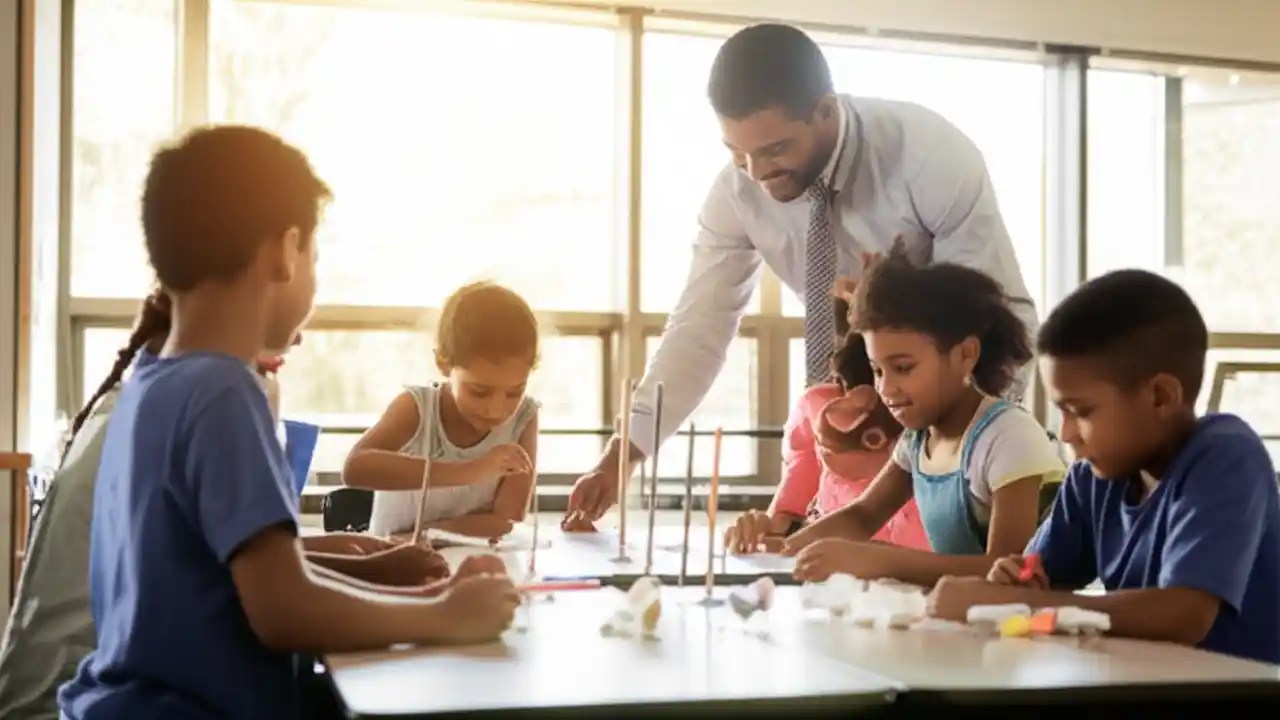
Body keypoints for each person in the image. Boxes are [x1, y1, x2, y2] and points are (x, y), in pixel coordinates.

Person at [57, 126, 519, 720]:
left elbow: (212, 575)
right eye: (315, 257)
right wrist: (446, 617)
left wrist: (370, 570)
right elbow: (282, 612)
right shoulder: (222, 391)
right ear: (285, 249)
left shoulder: (153, 381)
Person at [565, 22, 1037, 524]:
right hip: (847, 421)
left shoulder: (929, 156)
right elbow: (697, 332)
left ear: (826, 111)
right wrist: (622, 456)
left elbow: (993, 320)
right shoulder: (736, 193)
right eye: (737, 152)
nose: (757, 171)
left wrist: (960, 454)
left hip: (953, 408)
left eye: (775, 150)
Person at [928, 270, 1280, 664]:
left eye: (1081, 412)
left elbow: (1184, 615)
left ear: (1160, 397)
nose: (1066, 434)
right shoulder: (1094, 477)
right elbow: (1037, 580)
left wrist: (1019, 603)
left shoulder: (1226, 457)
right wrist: (1007, 586)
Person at [782, 248, 1064, 587]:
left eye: (903, 368)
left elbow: (1007, 569)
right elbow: (862, 515)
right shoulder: (918, 439)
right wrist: (783, 549)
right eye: (877, 370)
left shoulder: (1007, 435)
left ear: (965, 355)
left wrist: (879, 559)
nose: (886, 388)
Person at [724, 293, 929, 554]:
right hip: (831, 575)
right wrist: (767, 528)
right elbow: (792, 504)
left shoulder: (942, 428)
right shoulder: (818, 407)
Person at [344, 281, 539, 542]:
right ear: (444, 364)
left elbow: (507, 519)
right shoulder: (416, 408)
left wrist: (427, 536)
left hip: (470, 562)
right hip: (392, 563)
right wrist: (471, 471)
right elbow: (355, 469)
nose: (496, 409)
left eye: (515, 391)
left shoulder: (524, 417)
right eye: (479, 392)